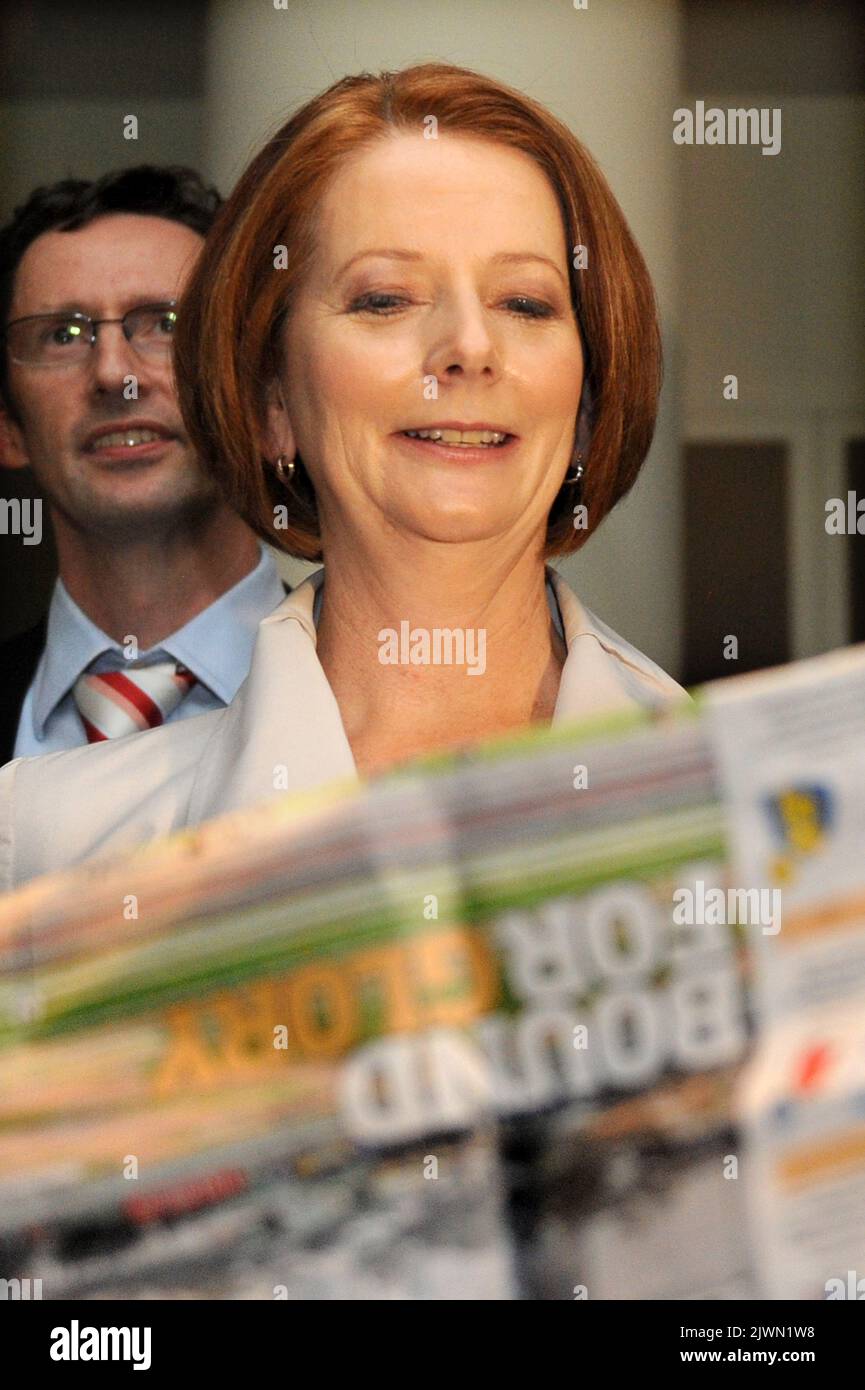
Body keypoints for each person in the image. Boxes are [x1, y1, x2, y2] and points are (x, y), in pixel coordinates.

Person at [0, 63, 690, 894]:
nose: (469, 348)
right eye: (386, 299)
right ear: (271, 401)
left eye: (525, 304)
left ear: (585, 399)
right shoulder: (46, 839)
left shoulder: (771, 797)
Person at [0, 166, 289, 764]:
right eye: (62, 335)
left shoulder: (386, 695)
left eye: (167, 323)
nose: (114, 375)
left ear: (263, 401)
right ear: (8, 428)